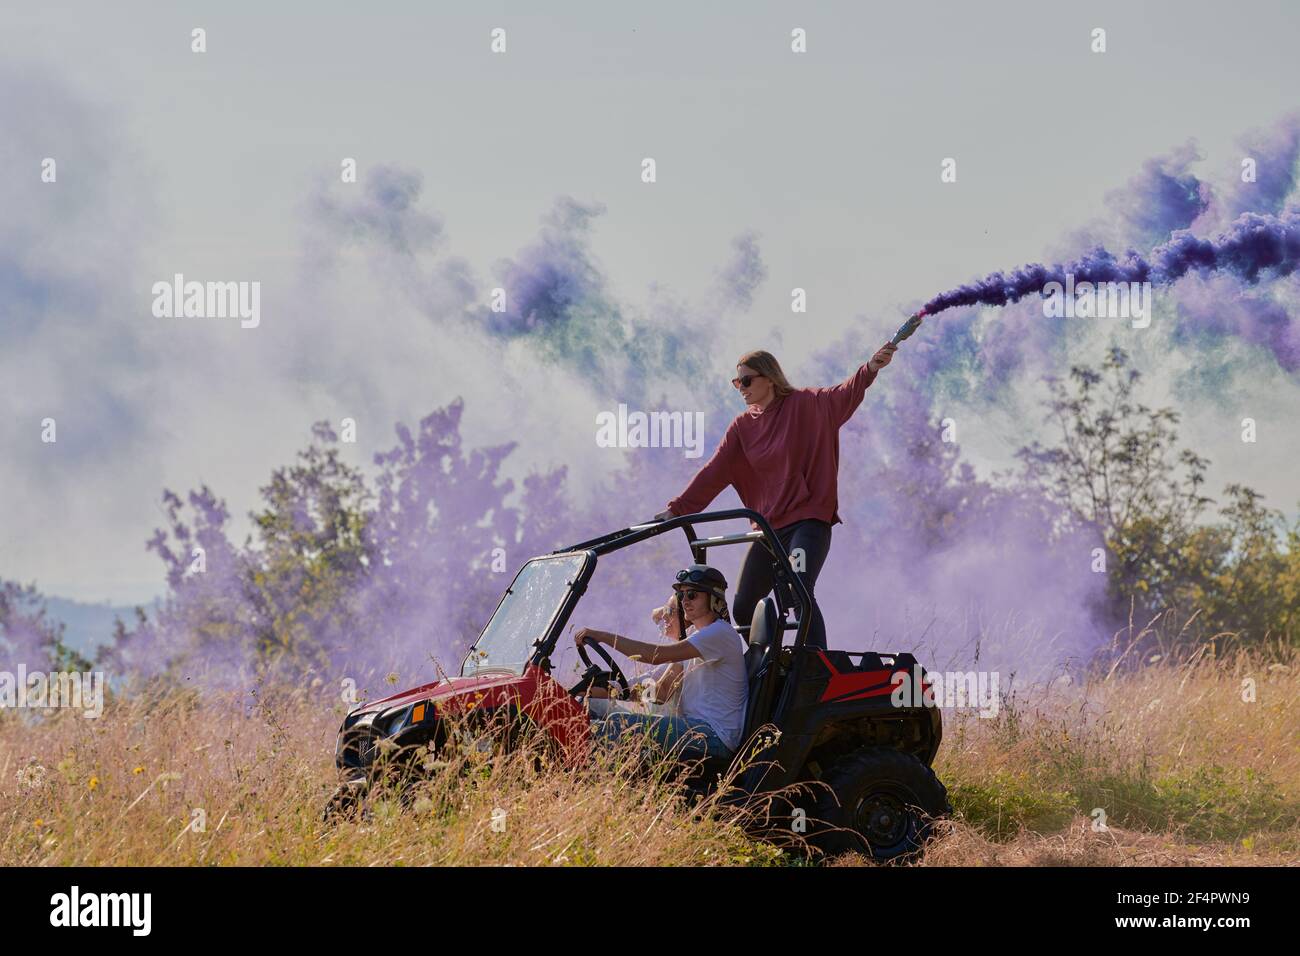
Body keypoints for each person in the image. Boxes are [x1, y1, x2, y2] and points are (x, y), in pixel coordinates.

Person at [655, 343, 902, 649]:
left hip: (807, 523)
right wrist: (676, 510)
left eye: (746, 380)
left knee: (796, 591)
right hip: (768, 531)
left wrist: (871, 368)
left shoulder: (807, 403)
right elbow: (714, 471)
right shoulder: (743, 426)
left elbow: (844, 393)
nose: (740, 388)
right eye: (736, 382)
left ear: (769, 378)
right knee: (745, 606)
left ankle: (813, 671)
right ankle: (770, 670)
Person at [576, 565, 748, 761]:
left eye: (692, 595)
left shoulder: (720, 633)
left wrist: (603, 636)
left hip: (713, 737)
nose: (684, 601)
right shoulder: (695, 638)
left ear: (714, 599)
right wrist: (599, 689)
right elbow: (656, 687)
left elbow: (656, 656)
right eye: (681, 595)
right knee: (592, 705)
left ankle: (598, 783)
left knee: (616, 724)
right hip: (694, 729)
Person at [584, 593, 686, 718]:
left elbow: (660, 693)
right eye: (664, 610)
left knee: (602, 714)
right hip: (663, 723)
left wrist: (620, 692)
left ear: (686, 617)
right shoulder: (675, 647)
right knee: (594, 704)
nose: (664, 616)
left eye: (670, 611)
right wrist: (610, 689)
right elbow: (655, 615)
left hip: (674, 730)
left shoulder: (685, 653)